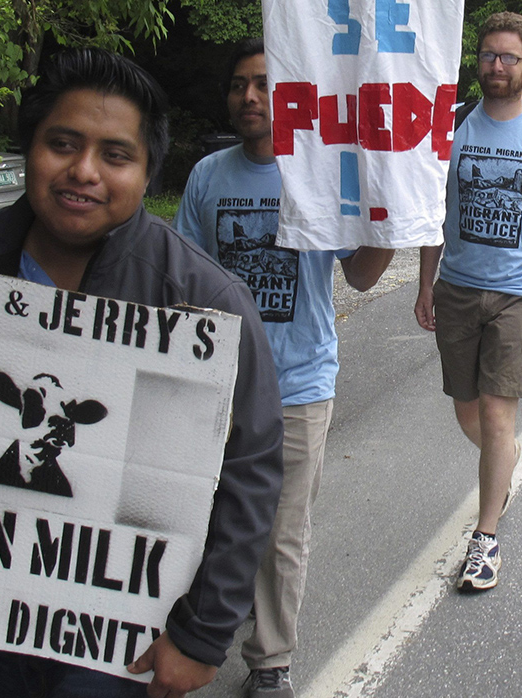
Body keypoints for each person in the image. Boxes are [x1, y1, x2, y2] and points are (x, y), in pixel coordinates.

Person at [0, 48, 285, 697]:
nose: (84, 171)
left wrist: (204, 632)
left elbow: (250, 469)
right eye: (62, 144)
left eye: (115, 155)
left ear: (148, 171)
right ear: (29, 149)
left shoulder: (202, 303)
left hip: (127, 640)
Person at [172, 39, 394, 698]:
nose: (249, 96)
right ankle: (224, 603)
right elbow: (184, 277)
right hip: (217, 382)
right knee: (214, 514)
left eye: (264, 84)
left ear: (289, 95)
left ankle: (270, 661)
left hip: (298, 383)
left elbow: (357, 274)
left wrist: (388, 228)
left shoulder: (320, 176)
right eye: (239, 84)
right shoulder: (207, 176)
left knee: (282, 530)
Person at [415, 12, 522, 591]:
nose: (495, 66)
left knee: (494, 412)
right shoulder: (453, 126)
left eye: (508, 58)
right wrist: (424, 283)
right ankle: (502, 465)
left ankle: (485, 539)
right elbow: (435, 214)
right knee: (467, 411)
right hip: (458, 286)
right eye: (488, 55)